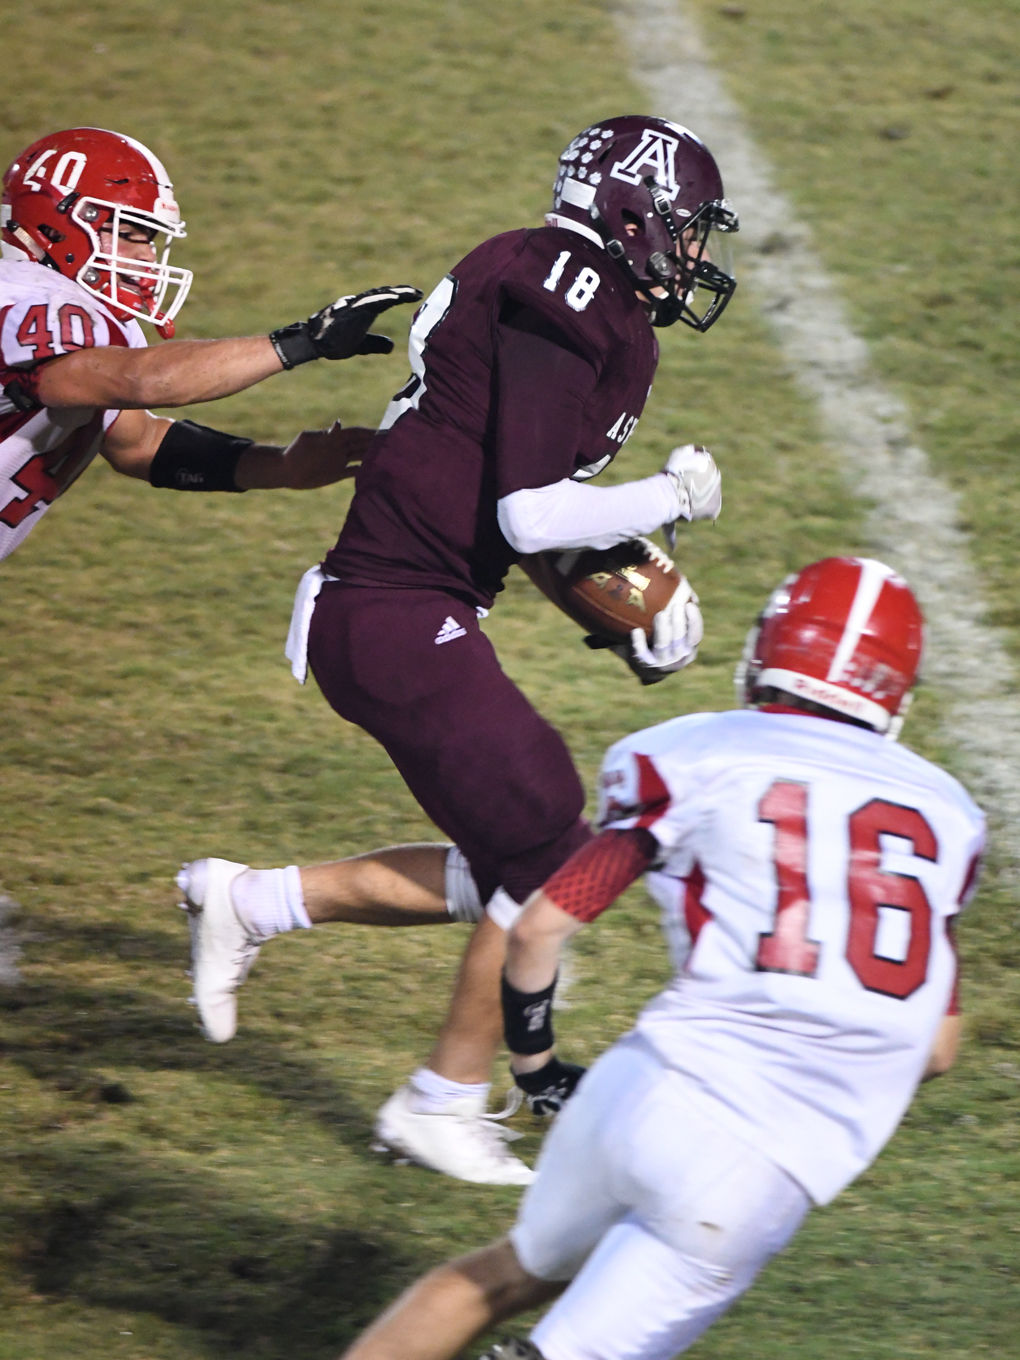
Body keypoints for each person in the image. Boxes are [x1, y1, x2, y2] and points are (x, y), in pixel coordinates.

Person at [177, 115, 741, 1185]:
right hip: (393, 609)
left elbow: (513, 504)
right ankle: (446, 1097)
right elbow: (530, 513)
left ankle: (250, 901)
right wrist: (672, 499)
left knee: (512, 861)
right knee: (548, 849)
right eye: (688, 228)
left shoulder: (570, 285)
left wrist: (621, 605)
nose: (698, 254)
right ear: (634, 212)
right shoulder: (563, 289)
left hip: (401, 606)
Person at [337, 554, 986, 1360]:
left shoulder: (697, 752)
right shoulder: (948, 818)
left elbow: (539, 929)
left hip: (639, 1087)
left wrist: (537, 1070)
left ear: (767, 652)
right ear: (896, 696)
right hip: (755, 1160)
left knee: (491, 1281)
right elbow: (937, 1047)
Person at [0, 124, 422, 560]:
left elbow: (139, 443)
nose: (146, 256)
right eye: (128, 233)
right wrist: (302, 342)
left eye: (150, 238)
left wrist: (281, 466)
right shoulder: (20, 297)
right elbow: (143, 381)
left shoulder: (94, 324)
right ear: (54, 225)